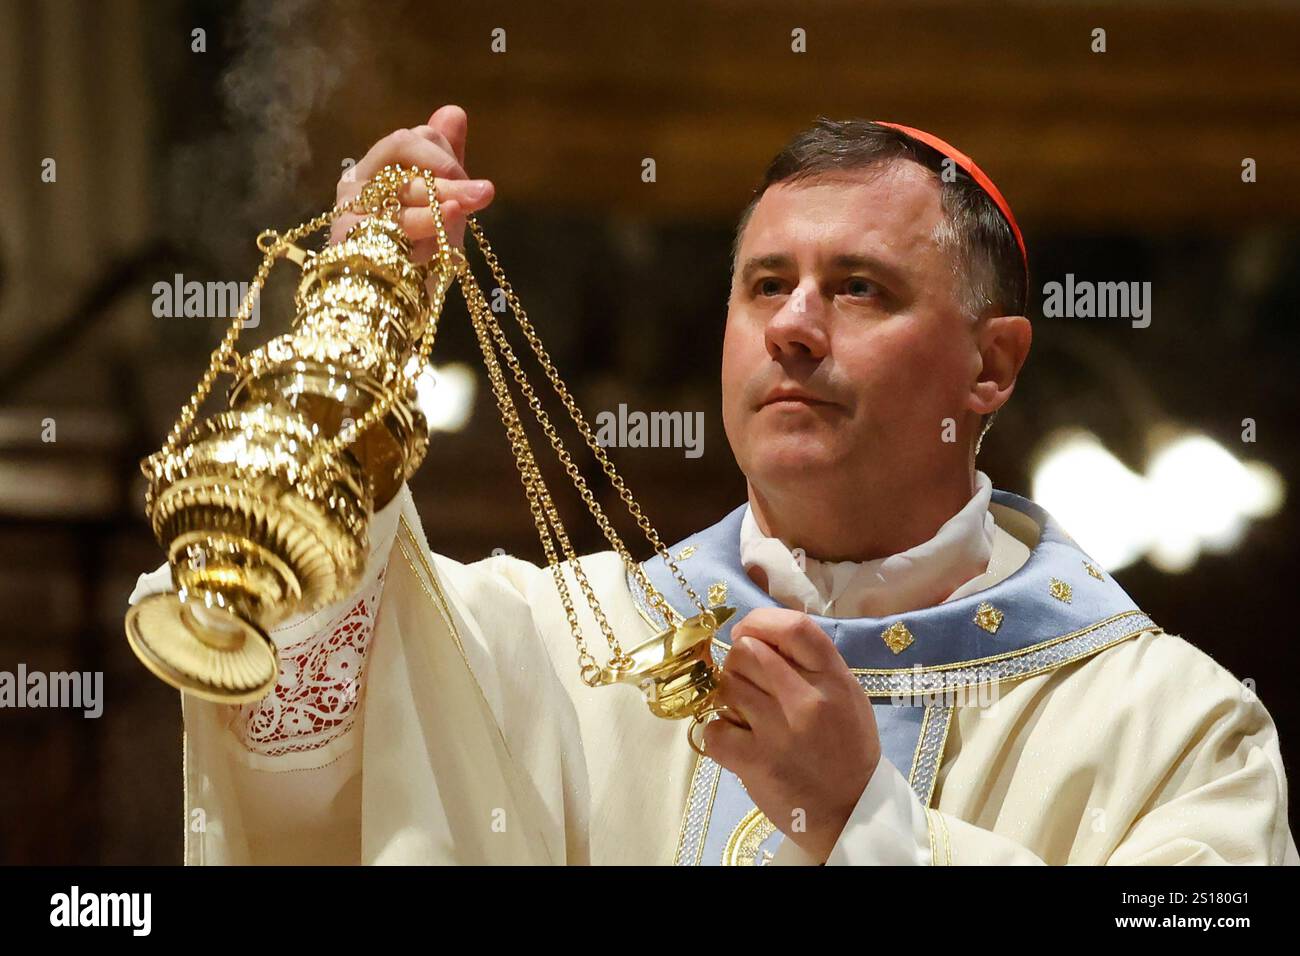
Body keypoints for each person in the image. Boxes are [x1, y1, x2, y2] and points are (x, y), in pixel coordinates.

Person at [129, 105, 1297, 865]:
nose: (792, 325)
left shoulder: (1175, 725)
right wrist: (355, 325)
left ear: (989, 364)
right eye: (763, 284)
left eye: (858, 289)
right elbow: (301, 706)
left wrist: (863, 825)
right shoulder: (569, 647)